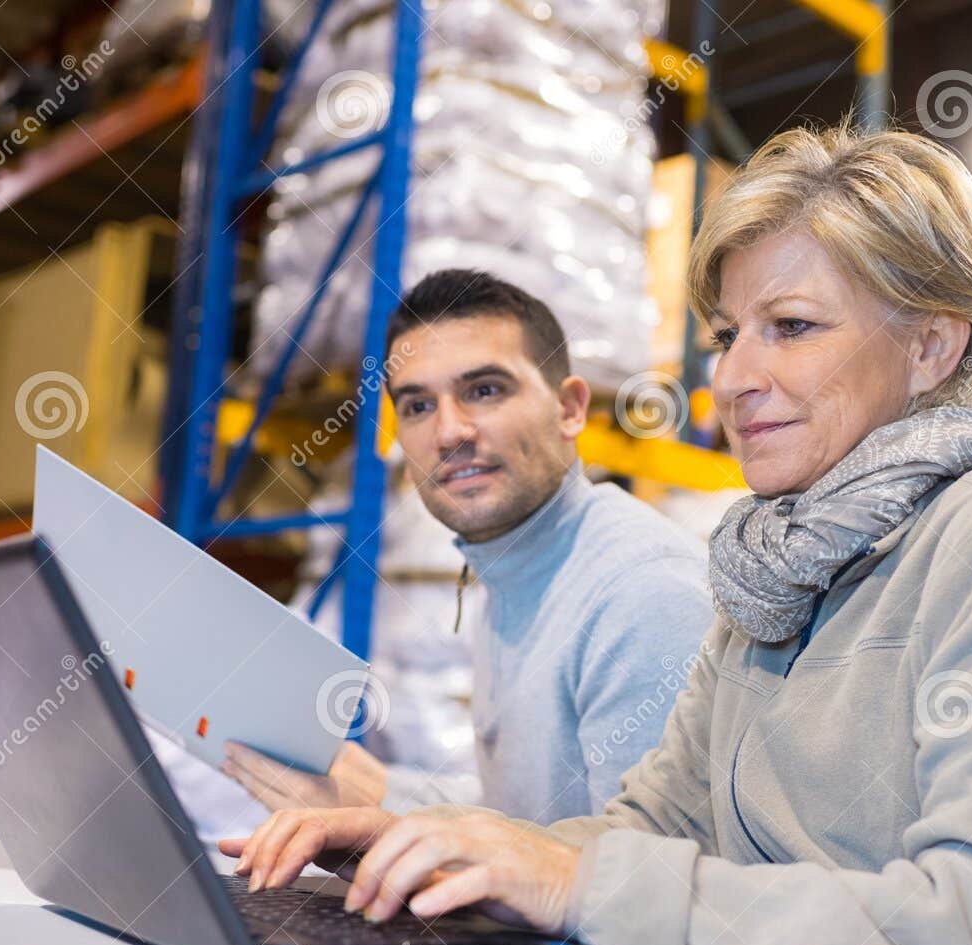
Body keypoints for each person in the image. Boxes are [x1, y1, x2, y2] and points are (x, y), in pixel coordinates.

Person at [221, 124, 972, 945]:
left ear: (930, 344)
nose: (731, 377)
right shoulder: (768, 584)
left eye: (792, 326)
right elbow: (647, 827)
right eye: (728, 335)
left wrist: (574, 882)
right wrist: (426, 830)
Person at [221, 270, 713, 825]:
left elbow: (631, 881)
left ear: (570, 408)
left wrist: (385, 837)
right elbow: (531, 824)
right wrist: (378, 793)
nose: (449, 432)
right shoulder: (511, 573)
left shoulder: (642, 594)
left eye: (484, 390)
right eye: (418, 405)